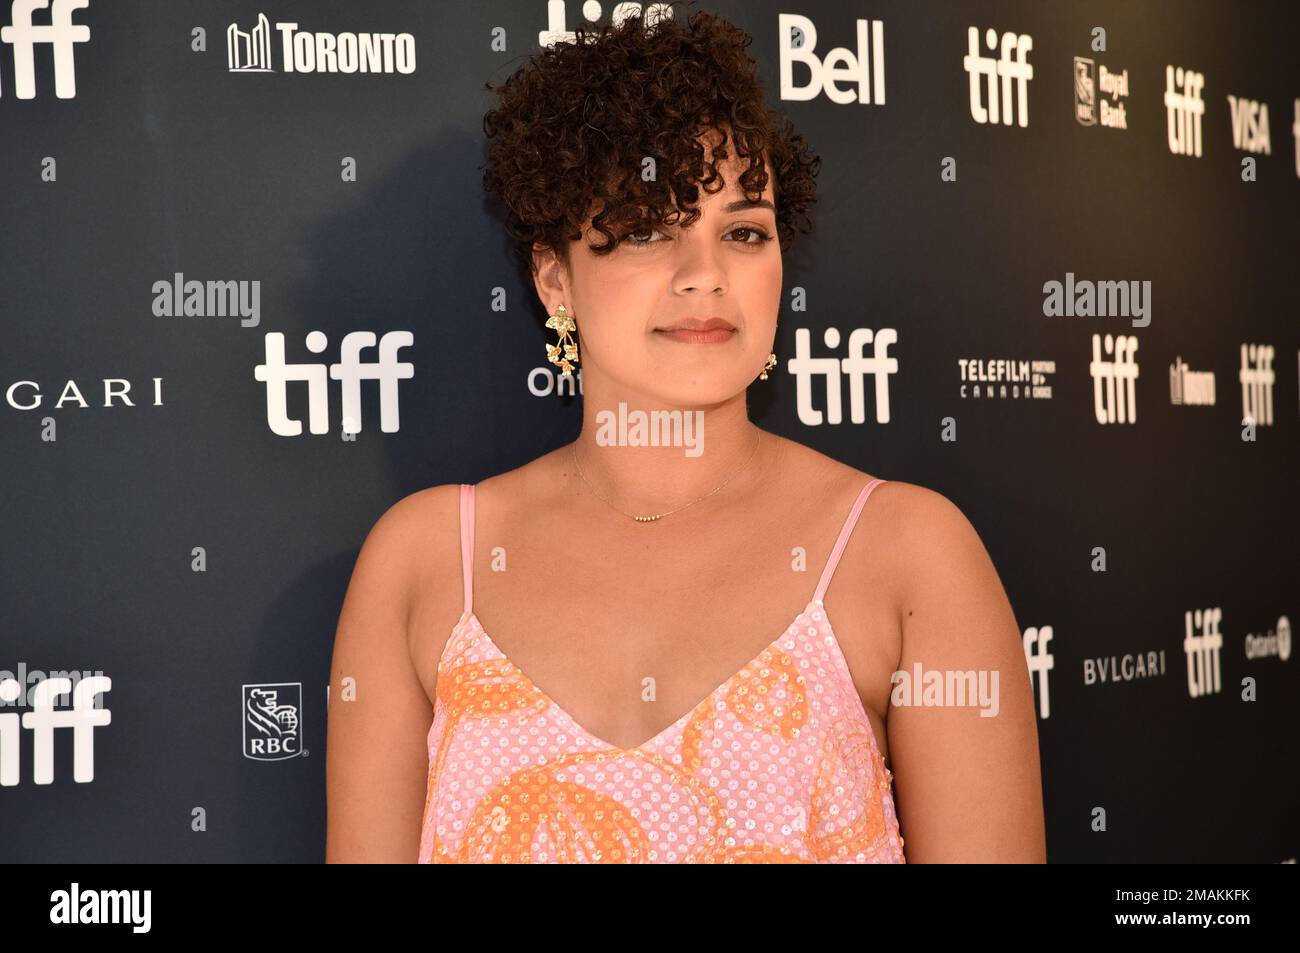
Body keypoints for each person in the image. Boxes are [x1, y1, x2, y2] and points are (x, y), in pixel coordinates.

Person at [326, 3, 1045, 863]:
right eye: (644, 230)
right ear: (555, 280)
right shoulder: (424, 565)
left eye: (743, 232)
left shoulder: (909, 556)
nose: (705, 276)